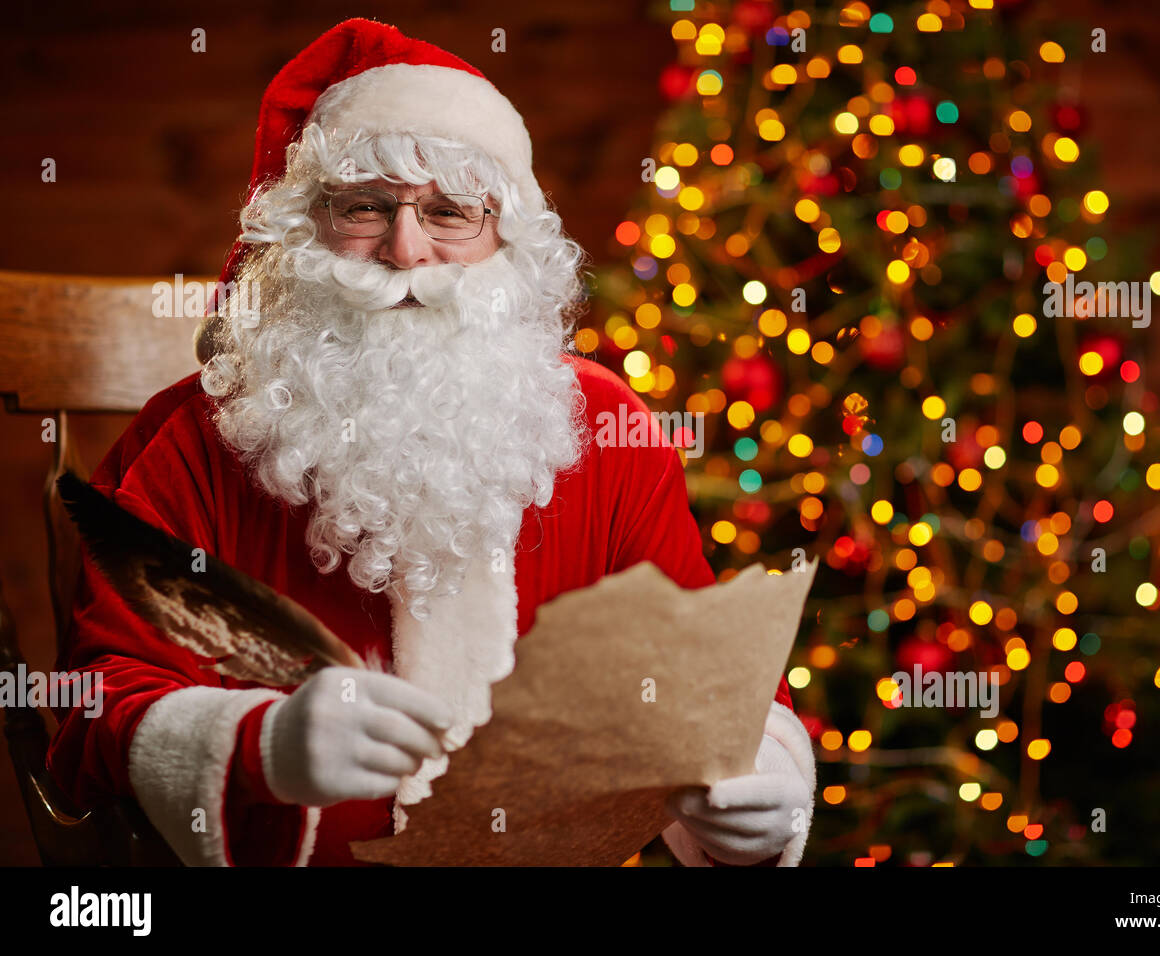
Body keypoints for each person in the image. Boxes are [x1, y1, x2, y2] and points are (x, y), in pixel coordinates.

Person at [46, 17, 816, 867]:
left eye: (449, 211)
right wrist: (258, 742)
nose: (406, 251)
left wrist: (759, 777)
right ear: (305, 227)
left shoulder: (609, 429)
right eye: (366, 207)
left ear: (508, 241)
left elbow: (694, 672)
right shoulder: (193, 437)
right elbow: (94, 701)